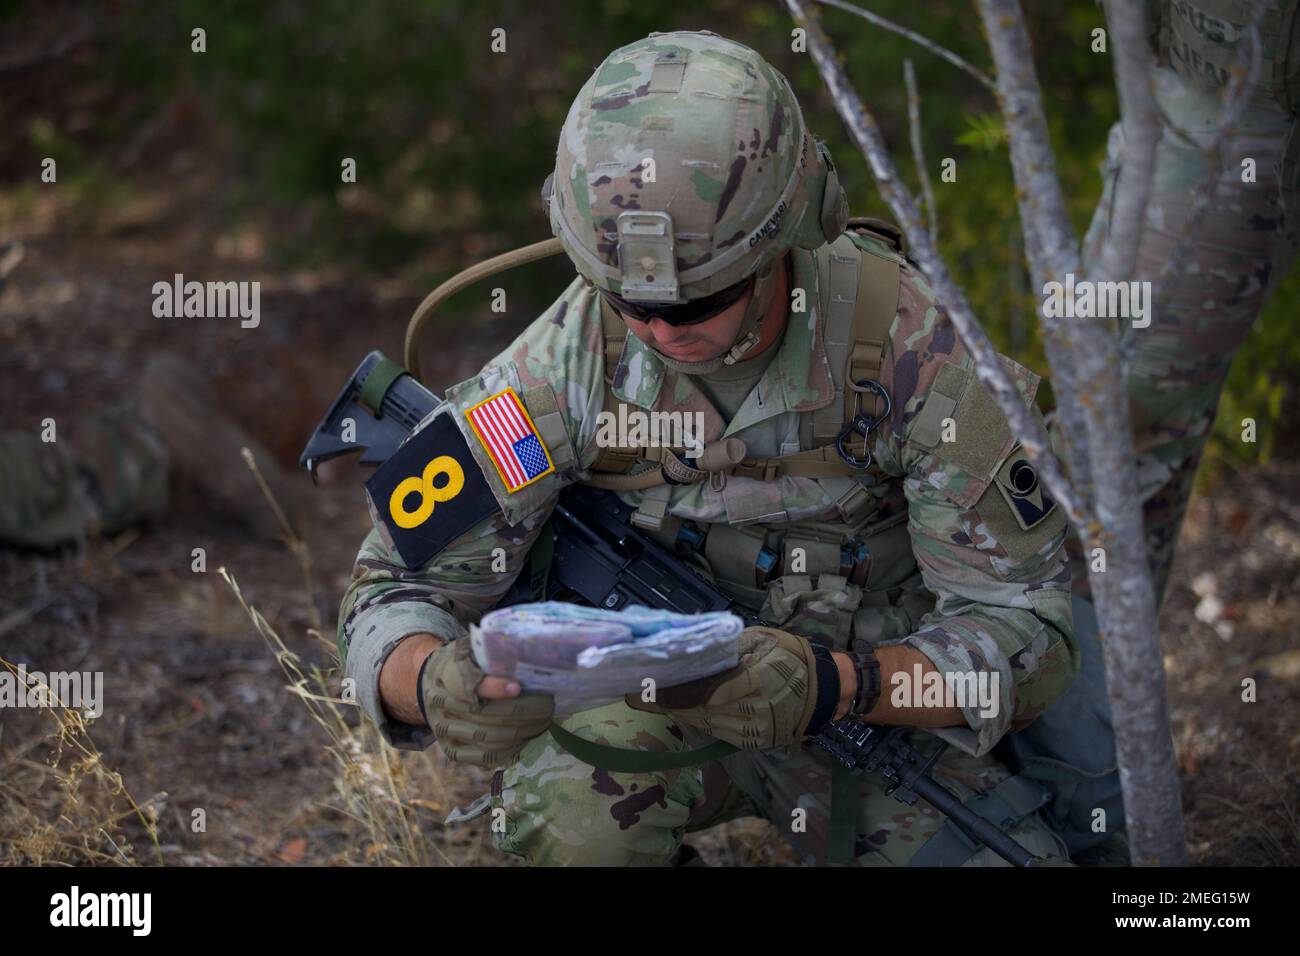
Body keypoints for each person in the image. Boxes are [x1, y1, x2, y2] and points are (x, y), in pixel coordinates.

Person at [339, 31, 1077, 866]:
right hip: (652, 710)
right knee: (575, 818)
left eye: (700, 304)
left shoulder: (913, 353)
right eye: (628, 302)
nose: (660, 330)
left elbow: (1030, 630)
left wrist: (840, 684)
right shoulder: (555, 375)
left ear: (780, 244)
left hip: (871, 713)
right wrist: (429, 683)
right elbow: (391, 584)